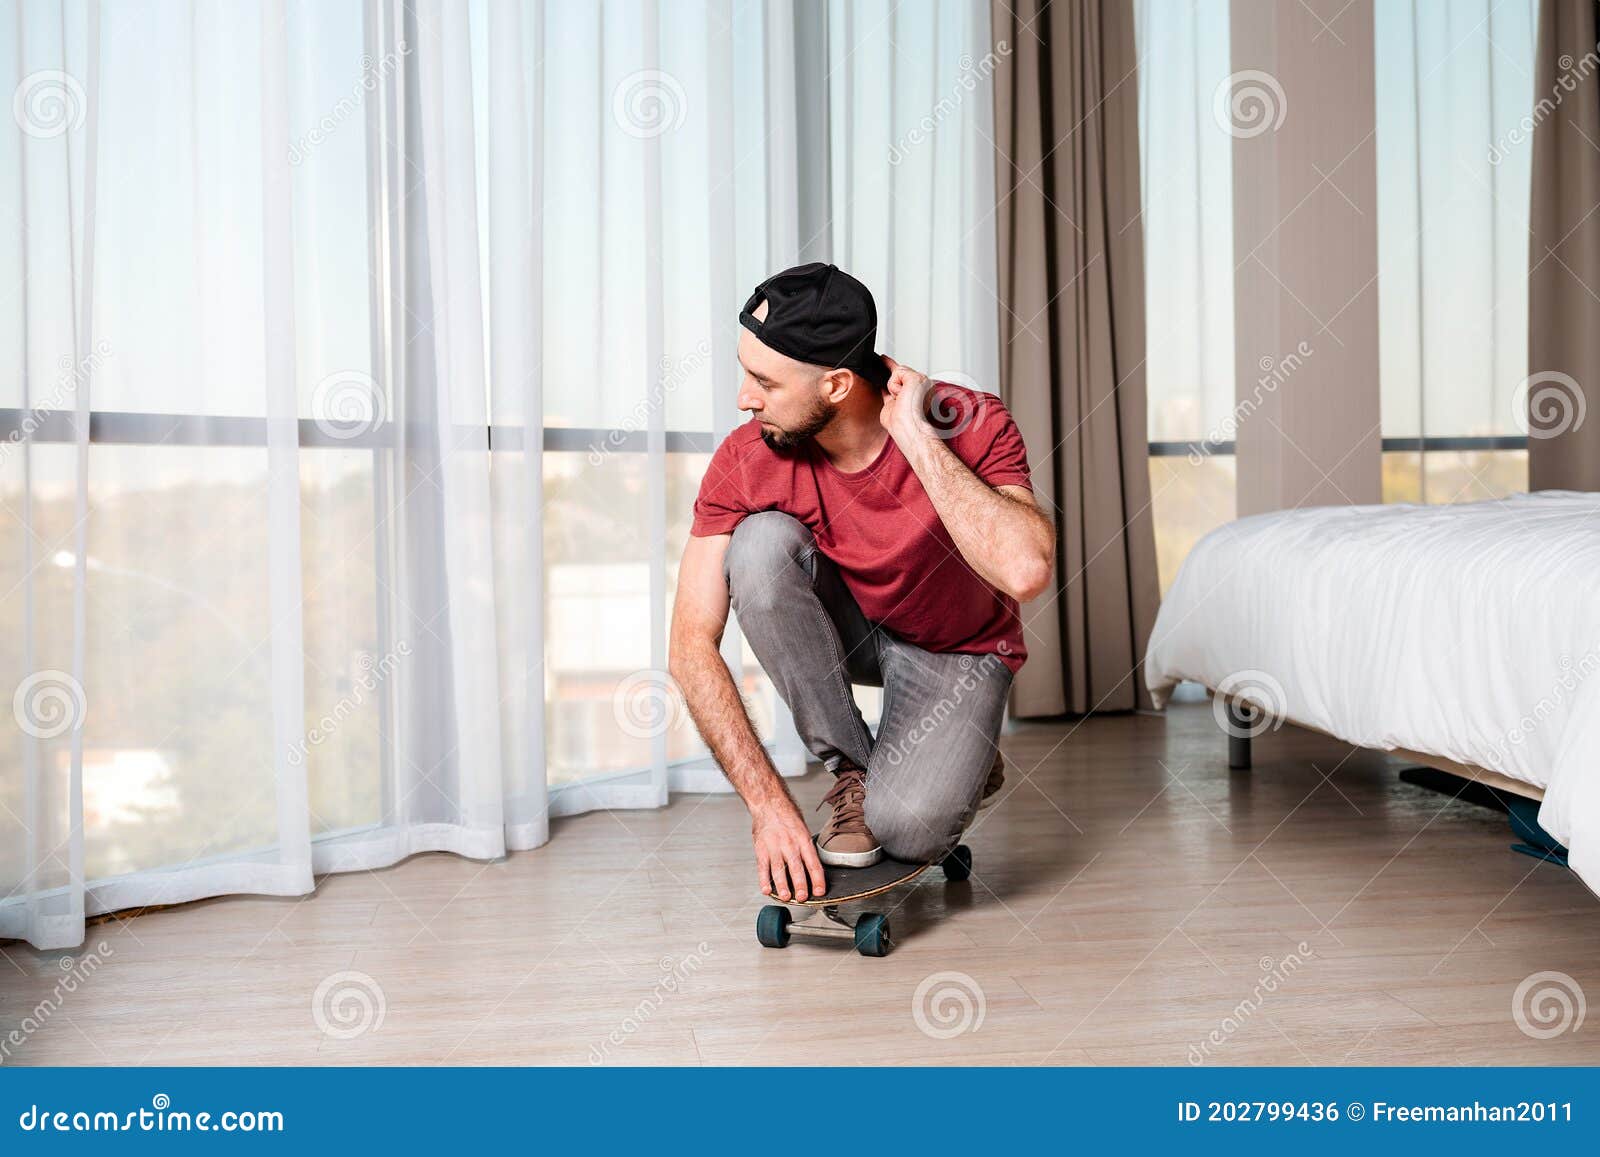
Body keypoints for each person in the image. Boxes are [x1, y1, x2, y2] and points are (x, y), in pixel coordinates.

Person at [668, 262, 1054, 902]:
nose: (744, 398)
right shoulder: (749, 457)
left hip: (957, 651)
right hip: (852, 632)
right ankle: (852, 770)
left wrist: (920, 440)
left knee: (906, 828)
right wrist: (768, 805)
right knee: (760, 544)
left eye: (764, 380)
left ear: (839, 384)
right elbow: (689, 643)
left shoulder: (967, 420)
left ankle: (968, 751)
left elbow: (1026, 570)